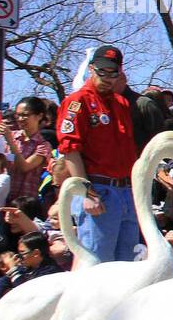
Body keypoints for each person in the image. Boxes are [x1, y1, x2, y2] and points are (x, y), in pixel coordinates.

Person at [55, 45, 141, 262]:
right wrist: (87, 192)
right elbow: (70, 149)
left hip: (126, 192)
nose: (107, 78)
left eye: (113, 73)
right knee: (97, 264)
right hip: (99, 190)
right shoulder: (77, 102)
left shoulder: (121, 103)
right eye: (102, 71)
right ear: (91, 69)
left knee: (126, 266)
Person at [0, 96, 52, 202]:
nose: (20, 119)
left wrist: (11, 143)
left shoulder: (43, 145)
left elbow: (24, 167)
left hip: (25, 202)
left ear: (39, 116)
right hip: (2, 197)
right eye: (18, 115)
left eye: (25, 115)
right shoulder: (9, 136)